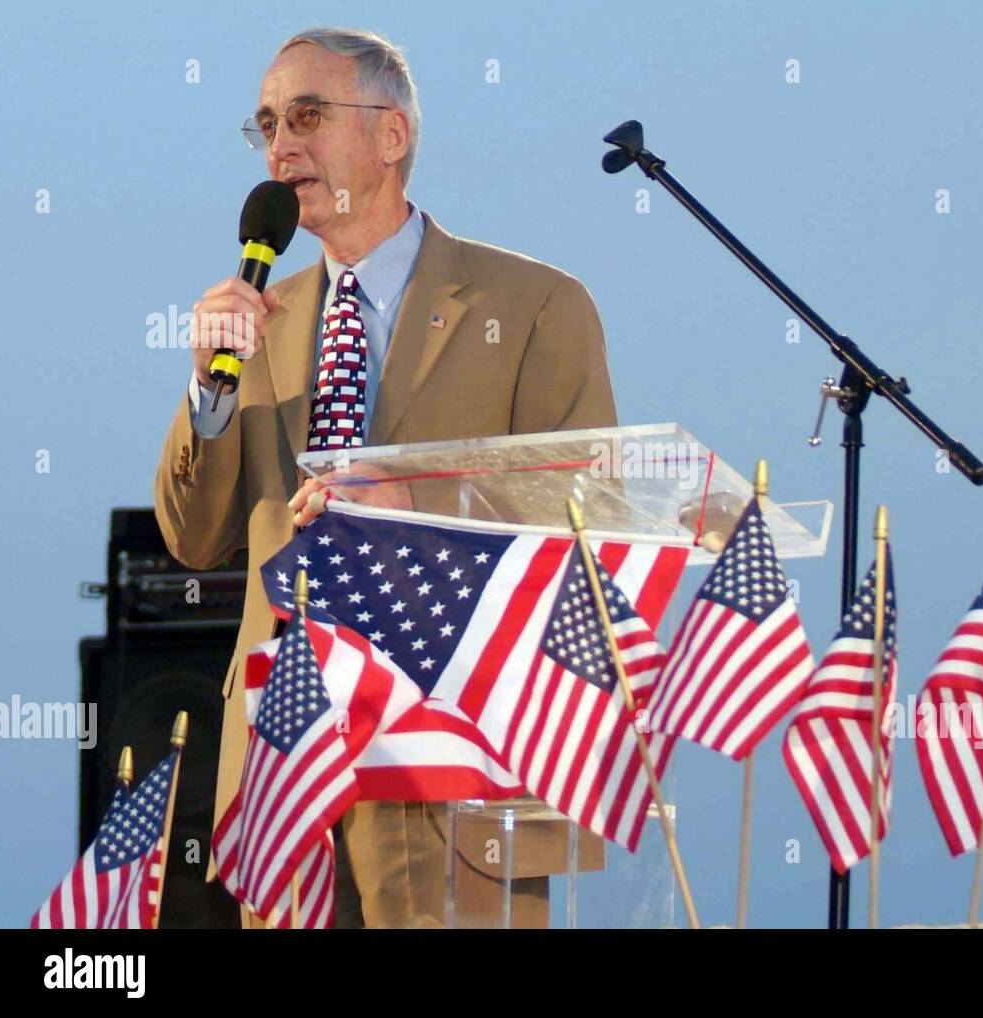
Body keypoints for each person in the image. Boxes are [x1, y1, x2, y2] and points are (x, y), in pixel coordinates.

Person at [153, 27, 617, 927]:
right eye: (266, 124)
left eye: (308, 115)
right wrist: (208, 393)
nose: (282, 144)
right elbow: (193, 538)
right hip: (287, 754)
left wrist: (426, 504)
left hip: (451, 757)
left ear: (392, 136)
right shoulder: (263, 323)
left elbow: (590, 513)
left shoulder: (531, 307)